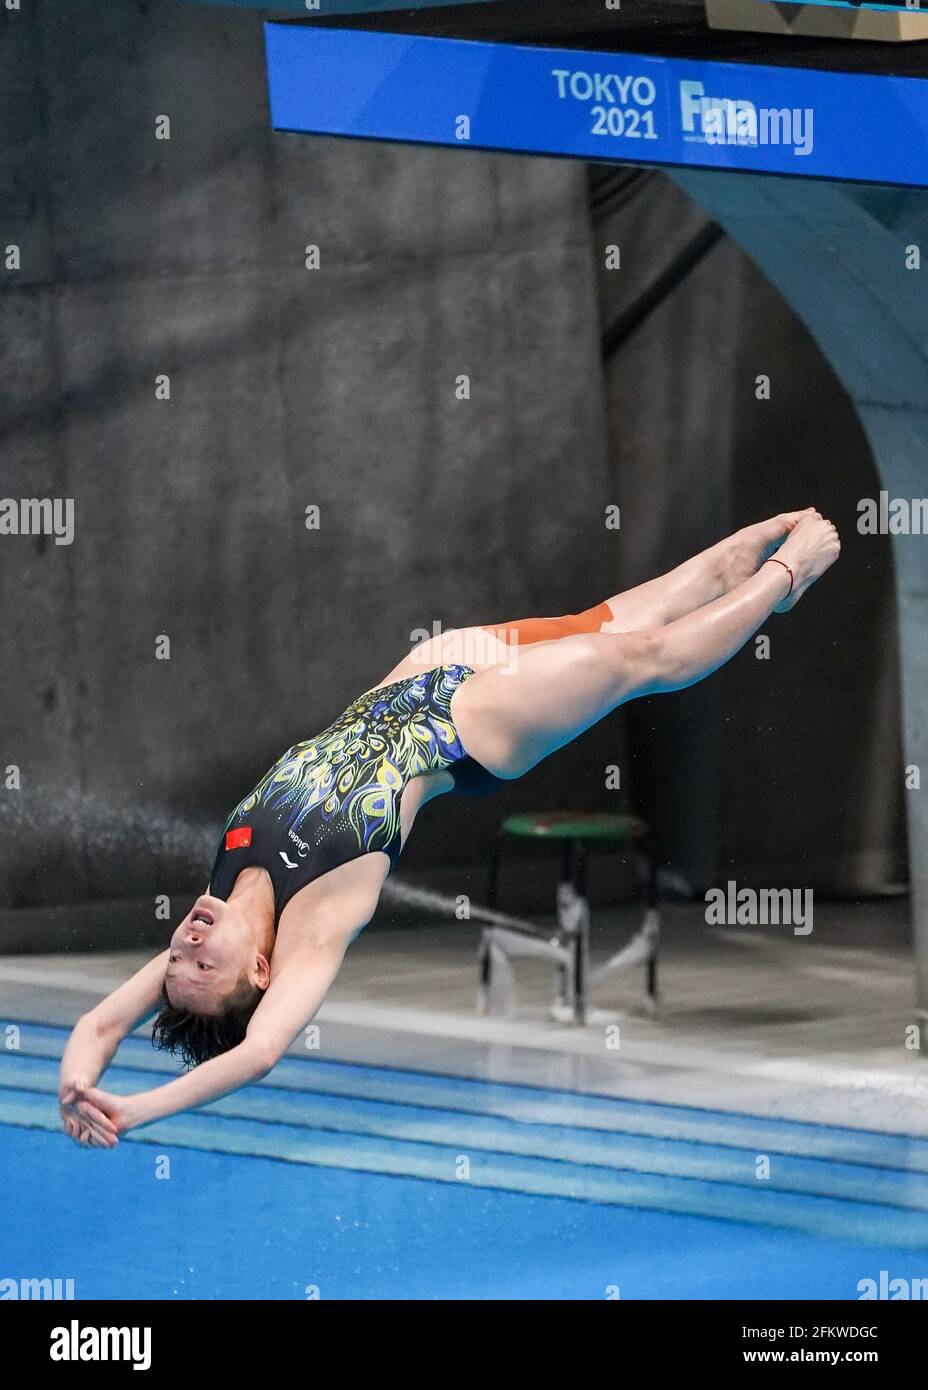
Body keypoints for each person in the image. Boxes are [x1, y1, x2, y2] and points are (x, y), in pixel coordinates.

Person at [59, 509, 840, 1147]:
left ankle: (748, 560)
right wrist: (137, 1109)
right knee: (645, 657)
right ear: (259, 975)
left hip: (419, 679)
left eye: (178, 961)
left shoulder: (220, 895)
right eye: (202, 966)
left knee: (604, 622)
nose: (187, 945)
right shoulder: (312, 931)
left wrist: (78, 1084)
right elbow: (260, 1053)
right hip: (474, 730)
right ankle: (786, 575)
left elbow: (101, 1022)